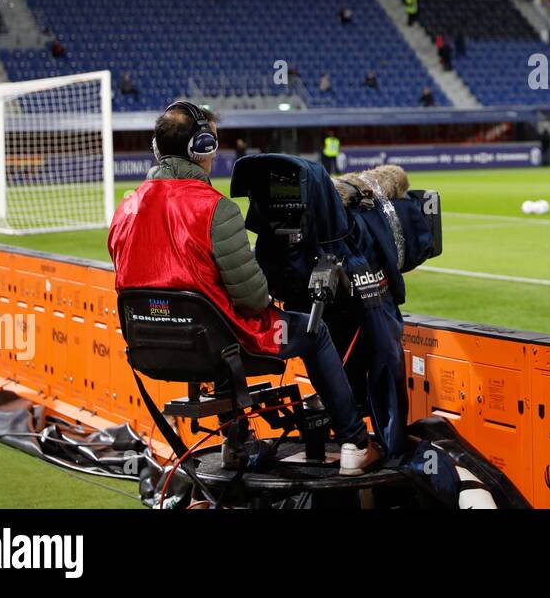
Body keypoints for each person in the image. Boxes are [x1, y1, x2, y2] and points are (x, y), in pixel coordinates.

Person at [107, 103, 378, 473]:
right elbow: (251, 301)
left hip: (151, 342)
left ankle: (235, 442)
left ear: (158, 148)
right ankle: (354, 441)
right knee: (313, 332)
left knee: (212, 329)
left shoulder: (125, 208)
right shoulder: (215, 209)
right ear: (202, 147)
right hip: (223, 341)